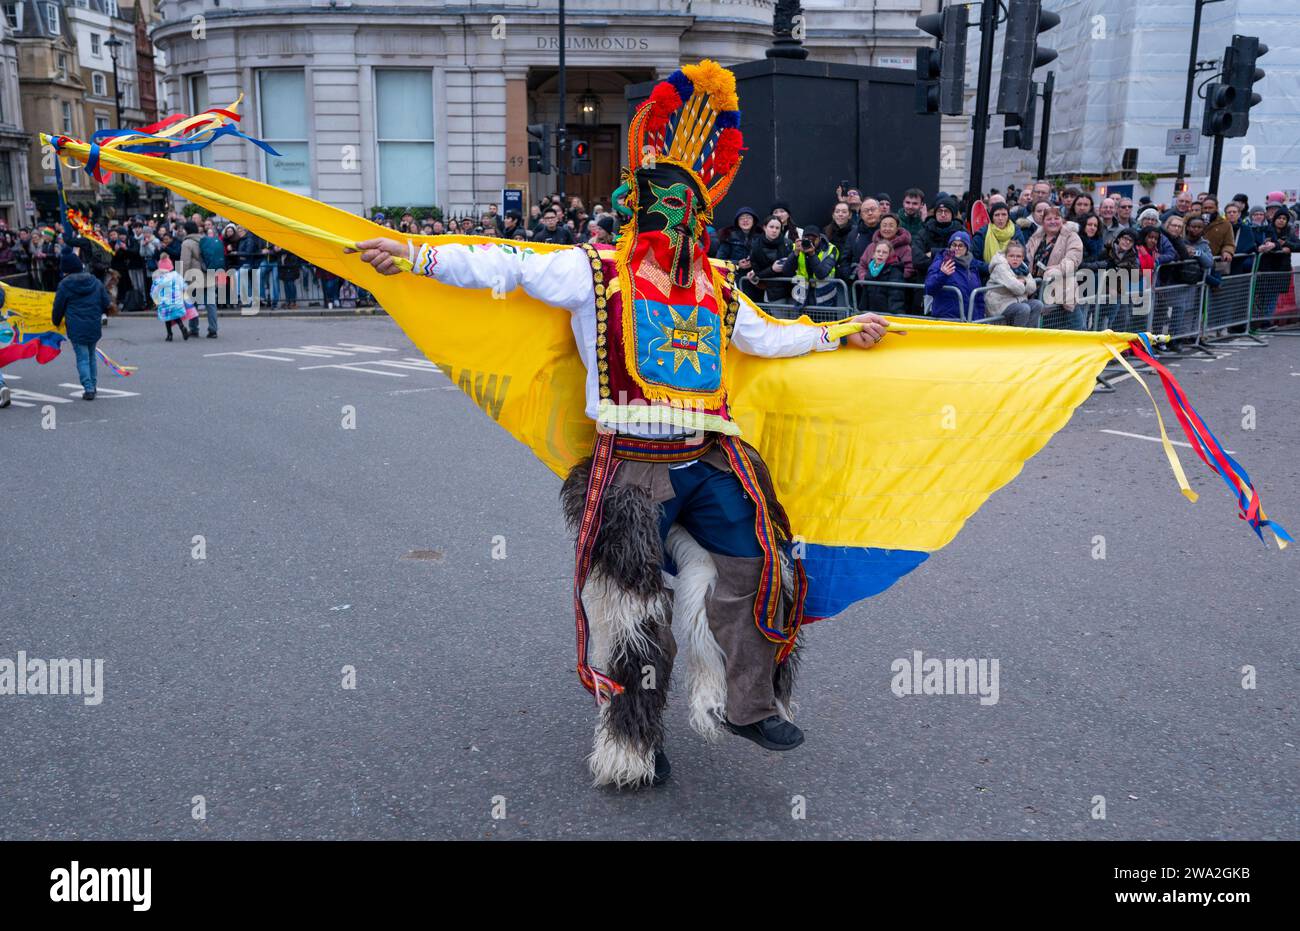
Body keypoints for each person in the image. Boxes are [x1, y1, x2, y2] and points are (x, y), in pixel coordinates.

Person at [355, 61, 892, 788]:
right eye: (666, 213)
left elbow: (766, 336)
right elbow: (506, 264)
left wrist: (836, 332)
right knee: (633, 611)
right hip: (632, 466)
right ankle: (633, 741)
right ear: (640, 210)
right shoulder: (593, 272)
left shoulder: (719, 286)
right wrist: (420, 254)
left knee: (762, 559)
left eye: (691, 216)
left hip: (706, 455)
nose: (680, 229)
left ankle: (744, 701)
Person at [51, 248, 111, 400]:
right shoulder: (95, 281)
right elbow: (106, 302)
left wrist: (55, 321)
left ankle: (88, 388)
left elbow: (58, 306)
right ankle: (94, 385)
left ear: (66, 269)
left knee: (82, 358)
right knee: (91, 356)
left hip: (76, 326)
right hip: (93, 324)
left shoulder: (65, 285)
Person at [1024, 206, 1084, 329]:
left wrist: (1056, 270)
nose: (1053, 221)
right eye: (1048, 219)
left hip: (1063, 290)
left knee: (1075, 329)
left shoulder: (1071, 236)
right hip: (1037, 290)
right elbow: (1026, 258)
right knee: (1046, 330)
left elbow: (1073, 259)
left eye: (1056, 218)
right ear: (1043, 222)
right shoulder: (1035, 238)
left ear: (1062, 220)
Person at [775, 225, 839, 309]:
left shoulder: (830, 249)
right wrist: (795, 253)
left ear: (820, 238)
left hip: (824, 297)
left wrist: (812, 254)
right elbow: (787, 271)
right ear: (802, 238)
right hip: (802, 294)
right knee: (803, 320)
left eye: (813, 238)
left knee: (825, 320)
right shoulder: (795, 247)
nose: (810, 241)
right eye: (807, 238)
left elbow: (821, 274)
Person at [984, 240, 1043, 327]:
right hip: (1000, 304)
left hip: (1017, 301)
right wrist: (1024, 285)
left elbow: (1033, 287)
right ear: (1006, 256)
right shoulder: (1000, 267)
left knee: (1038, 304)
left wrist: (1024, 281)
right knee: (1023, 309)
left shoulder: (1023, 267)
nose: (1015, 259)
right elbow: (1018, 289)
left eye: (1018, 256)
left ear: (1023, 258)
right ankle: (1017, 338)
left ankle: (1029, 336)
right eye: (1011, 256)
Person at [924, 229, 980, 320]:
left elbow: (979, 298)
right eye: (954, 245)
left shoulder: (972, 265)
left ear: (967, 249)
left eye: (961, 245)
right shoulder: (941, 262)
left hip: (970, 321)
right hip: (947, 320)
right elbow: (929, 288)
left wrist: (979, 319)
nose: (956, 248)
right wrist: (942, 274)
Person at [746, 214, 794, 305]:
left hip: (792, 291)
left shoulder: (788, 244)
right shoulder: (756, 247)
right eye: (771, 227)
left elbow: (794, 268)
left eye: (777, 228)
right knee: (779, 319)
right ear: (764, 228)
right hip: (774, 293)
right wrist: (772, 269)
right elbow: (758, 273)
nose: (774, 230)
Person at [857, 240, 906, 314]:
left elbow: (896, 297)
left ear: (889, 255)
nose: (880, 254)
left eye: (884, 252)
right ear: (874, 254)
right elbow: (865, 295)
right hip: (871, 314)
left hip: (887, 315)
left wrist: (894, 316)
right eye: (878, 251)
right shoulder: (870, 268)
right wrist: (861, 312)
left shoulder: (895, 270)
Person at [152, 253, 193, 341]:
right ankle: (182, 327)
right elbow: (184, 286)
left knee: (167, 318)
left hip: (164, 302)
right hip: (176, 301)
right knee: (176, 316)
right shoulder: (176, 275)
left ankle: (169, 335)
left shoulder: (159, 279)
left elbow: (154, 292)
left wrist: (156, 301)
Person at [714, 207, 759, 272]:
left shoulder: (760, 237)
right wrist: (737, 263)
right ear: (737, 222)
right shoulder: (728, 238)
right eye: (741, 218)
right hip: (734, 276)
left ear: (754, 221)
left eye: (748, 217)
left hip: (755, 275)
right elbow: (719, 261)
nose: (745, 220)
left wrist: (753, 262)